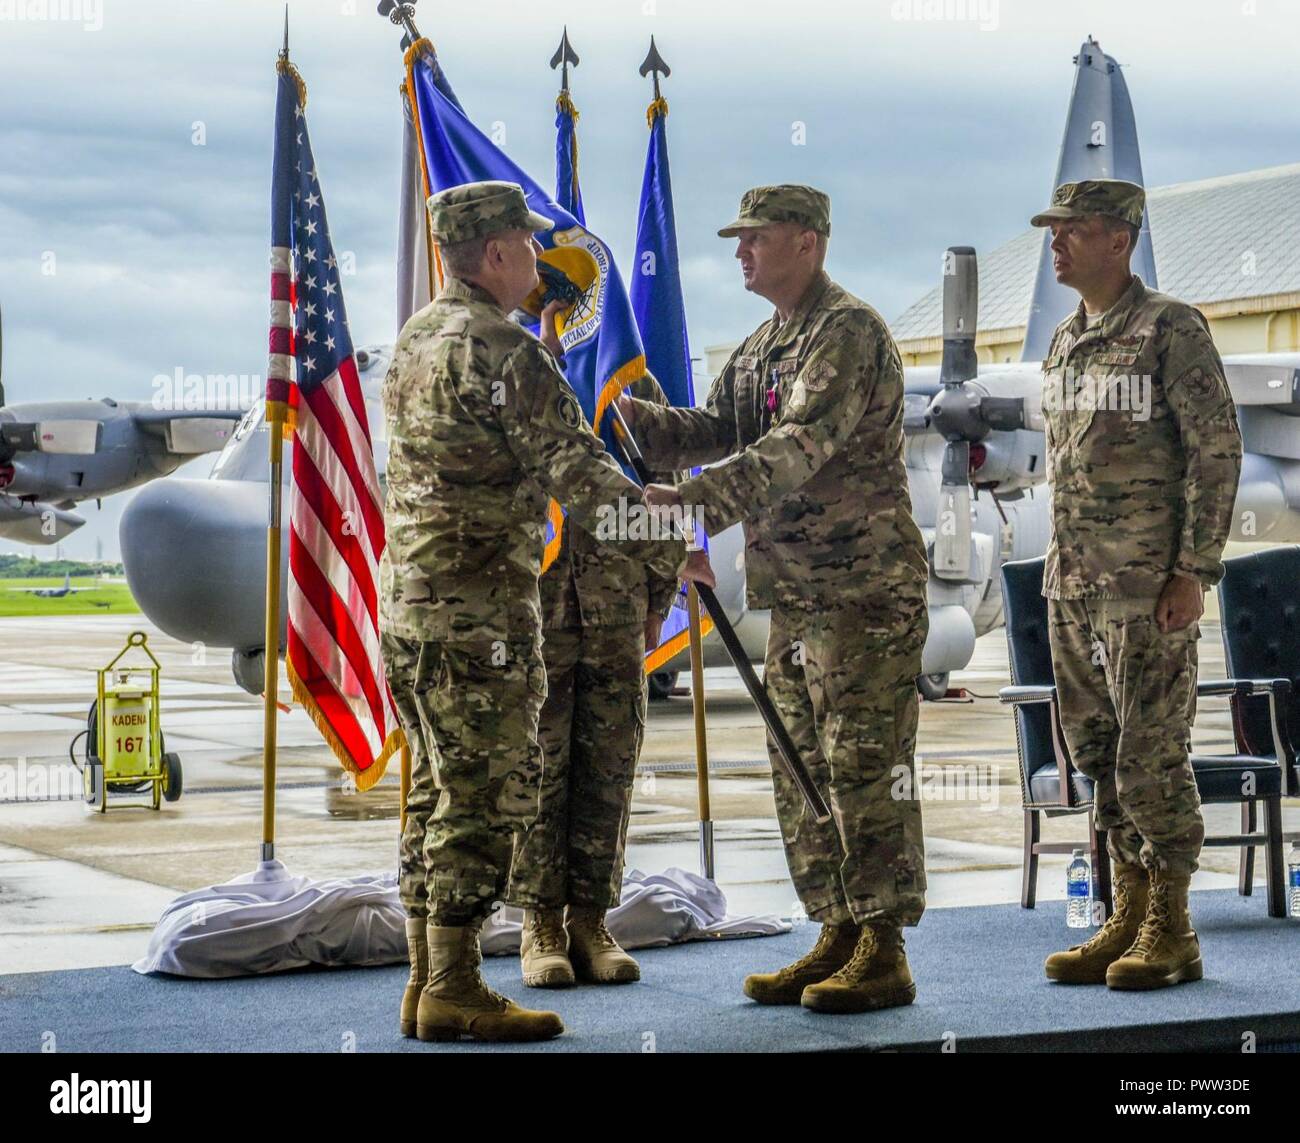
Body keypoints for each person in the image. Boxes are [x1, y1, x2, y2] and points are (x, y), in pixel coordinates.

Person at [379, 180, 713, 1042]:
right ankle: (454, 983)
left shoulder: (417, 339)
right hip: (480, 617)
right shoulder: (506, 352)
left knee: (432, 794)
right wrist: (668, 529)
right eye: (526, 243)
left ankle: (425, 981)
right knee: (483, 801)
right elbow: (588, 483)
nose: (537, 256)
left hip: (410, 612)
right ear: (494, 252)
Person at [620, 184, 930, 1014]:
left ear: (808, 242)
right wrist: (618, 407)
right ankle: (835, 928)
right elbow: (711, 426)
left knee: (865, 766)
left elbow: (797, 447)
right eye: (738, 239)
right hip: (794, 596)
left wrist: (694, 504)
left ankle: (884, 945)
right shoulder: (765, 344)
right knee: (801, 768)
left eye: (755, 238)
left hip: (862, 593)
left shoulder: (847, 333)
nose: (740, 253)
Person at [1031, 178, 1243, 990]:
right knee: (1099, 756)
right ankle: (1127, 909)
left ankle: (1172, 926)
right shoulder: (1063, 340)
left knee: (1153, 755)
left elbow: (1215, 450)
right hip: (1075, 585)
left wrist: (1194, 570)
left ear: (1118, 239)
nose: (1055, 243)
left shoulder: (1170, 328)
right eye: (1053, 230)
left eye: (1071, 230)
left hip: (1146, 584)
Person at [507, 368, 678, 990]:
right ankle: (541, 925)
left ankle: (590, 920)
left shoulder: (630, 382)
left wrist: (660, 595)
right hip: (536, 606)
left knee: (609, 767)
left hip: (617, 604)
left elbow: (664, 489)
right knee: (540, 767)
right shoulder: (520, 373)